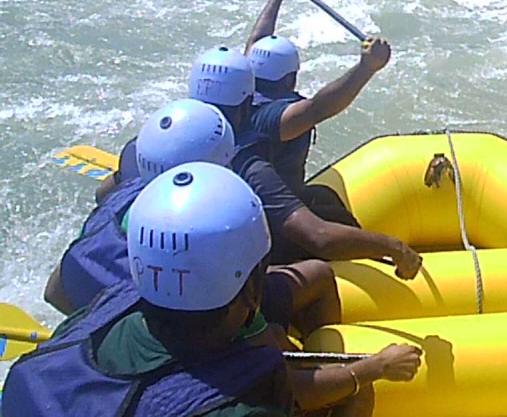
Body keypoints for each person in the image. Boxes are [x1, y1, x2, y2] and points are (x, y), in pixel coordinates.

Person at [5, 162, 424, 417]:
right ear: (253, 288)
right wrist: (370, 369)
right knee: (358, 396)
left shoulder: (106, 305)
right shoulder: (238, 406)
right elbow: (290, 388)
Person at [45, 99, 342, 339]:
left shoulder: (117, 195)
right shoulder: (210, 223)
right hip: (174, 324)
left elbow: (54, 292)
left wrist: (97, 330)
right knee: (314, 279)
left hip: (111, 315)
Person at [187, 46, 422, 275]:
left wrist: (275, 2)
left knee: (323, 197)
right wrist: (395, 248)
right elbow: (319, 237)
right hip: (229, 276)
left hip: (186, 261)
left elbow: (255, 42)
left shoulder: (171, 136)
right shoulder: (249, 162)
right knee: (318, 272)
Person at [243, 0, 391, 223]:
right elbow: (320, 107)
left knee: (325, 197)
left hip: (267, 200)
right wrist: (367, 68)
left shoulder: (240, 93)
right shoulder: (278, 118)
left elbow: (256, 41)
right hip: (275, 216)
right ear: (291, 77)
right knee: (344, 224)